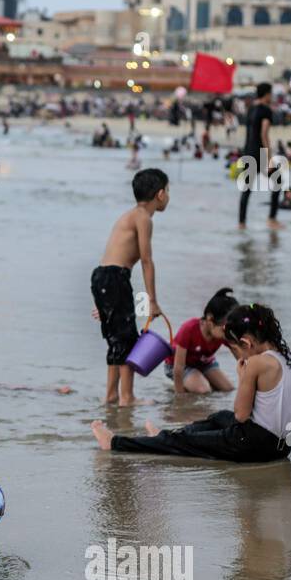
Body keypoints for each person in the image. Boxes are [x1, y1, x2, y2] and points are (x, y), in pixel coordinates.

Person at [92, 302, 291, 463]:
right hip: (284, 445)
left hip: (255, 446)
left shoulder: (257, 363)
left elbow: (241, 415)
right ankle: (165, 435)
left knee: (183, 445)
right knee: (220, 418)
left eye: (237, 350)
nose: (240, 356)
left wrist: (243, 378)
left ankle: (114, 442)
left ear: (246, 342)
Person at [91, 168, 169, 406]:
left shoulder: (131, 215)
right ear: (161, 194)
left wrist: (104, 301)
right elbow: (146, 260)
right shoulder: (143, 218)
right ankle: (127, 397)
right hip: (114, 278)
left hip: (103, 278)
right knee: (125, 338)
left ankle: (111, 395)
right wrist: (152, 301)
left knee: (116, 338)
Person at [164, 288, 238, 395]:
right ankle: (188, 385)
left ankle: (199, 380)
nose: (227, 334)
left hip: (204, 363)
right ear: (210, 319)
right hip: (178, 365)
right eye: (224, 329)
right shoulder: (189, 328)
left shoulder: (224, 332)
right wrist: (179, 396)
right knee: (203, 390)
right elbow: (178, 366)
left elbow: (241, 356)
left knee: (228, 389)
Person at [239, 83, 279, 229]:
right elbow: (264, 134)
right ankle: (272, 220)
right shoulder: (265, 110)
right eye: (271, 93)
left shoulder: (251, 109)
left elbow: (249, 133)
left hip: (248, 151)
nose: (272, 96)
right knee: (278, 181)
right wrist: (269, 160)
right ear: (267, 94)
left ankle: (241, 223)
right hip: (259, 153)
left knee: (247, 189)